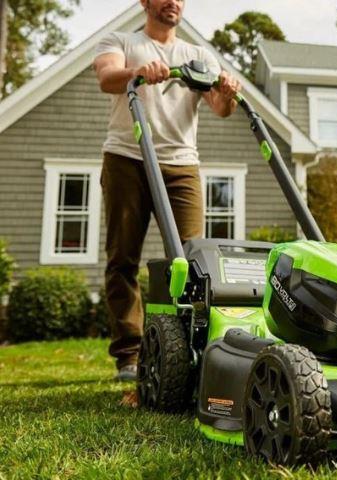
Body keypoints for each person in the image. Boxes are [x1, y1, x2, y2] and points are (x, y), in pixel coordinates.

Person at [93, 0, 241, 381]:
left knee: (192, 259)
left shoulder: (196, 54)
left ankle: (192, 350)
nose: (173, 2)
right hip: (127, 157)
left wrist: (226, 90)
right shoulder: (120, 40)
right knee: (123, 258)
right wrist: (137, 71)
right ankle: (129, 354)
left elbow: (220, 108)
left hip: (181, 164)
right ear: (145, 2)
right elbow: (107, 77)